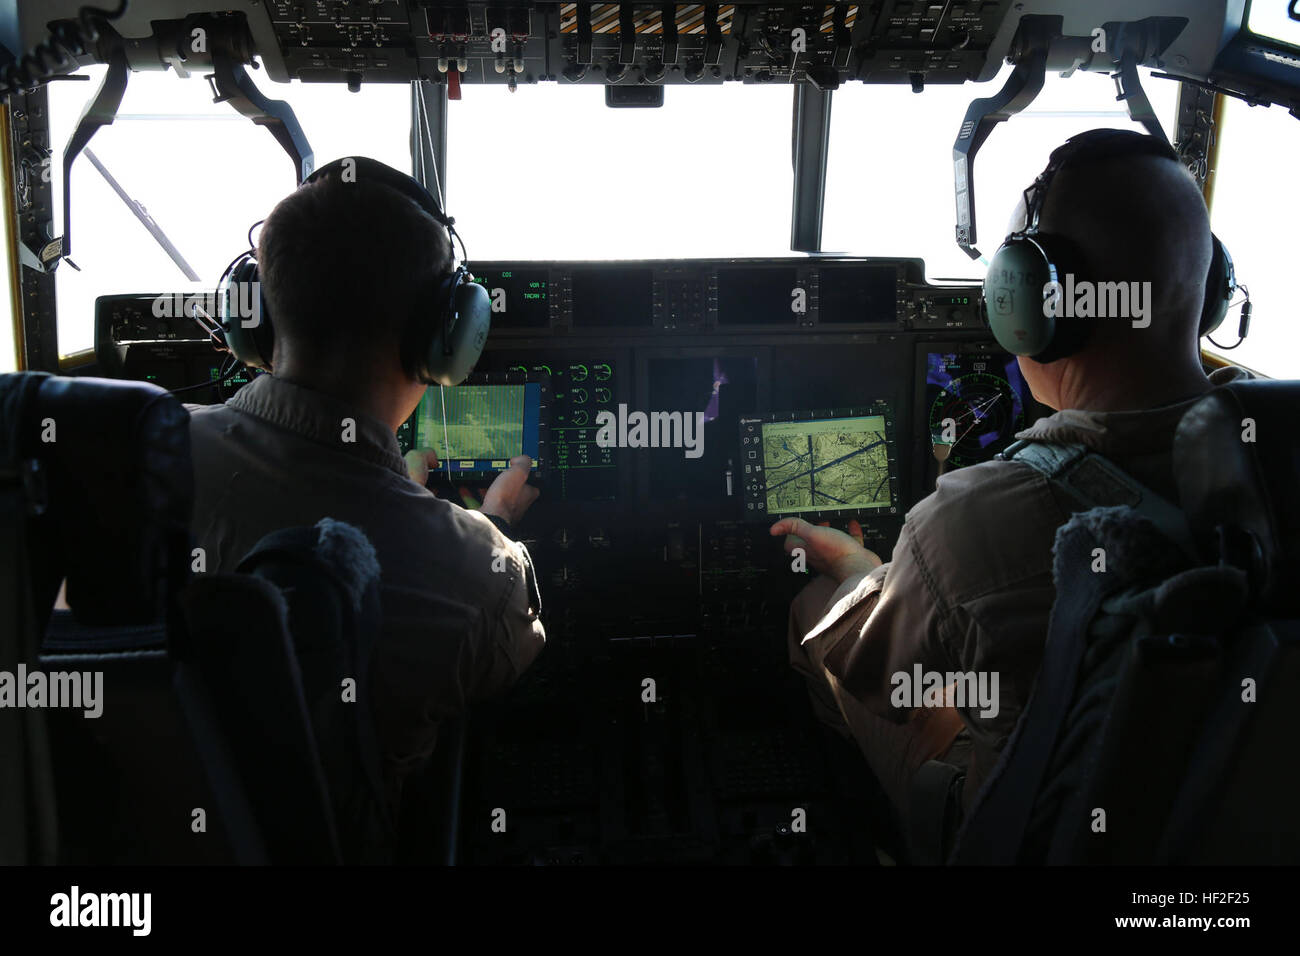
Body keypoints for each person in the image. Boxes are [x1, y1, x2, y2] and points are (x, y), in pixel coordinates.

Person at [773, 129, 1249, 845]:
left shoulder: (978, 516)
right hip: (1239, 816)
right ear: (1208, 289)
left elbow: (874, 676)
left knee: (821, 614)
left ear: (1027, 300)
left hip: (1041, 830)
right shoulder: (1279, 455)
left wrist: (858, 570)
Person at [186, 160, 545, 823]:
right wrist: (491, 524)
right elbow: (508, 660)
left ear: (257, 315)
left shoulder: (130, 460)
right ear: (448, 337)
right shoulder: (476, 574)